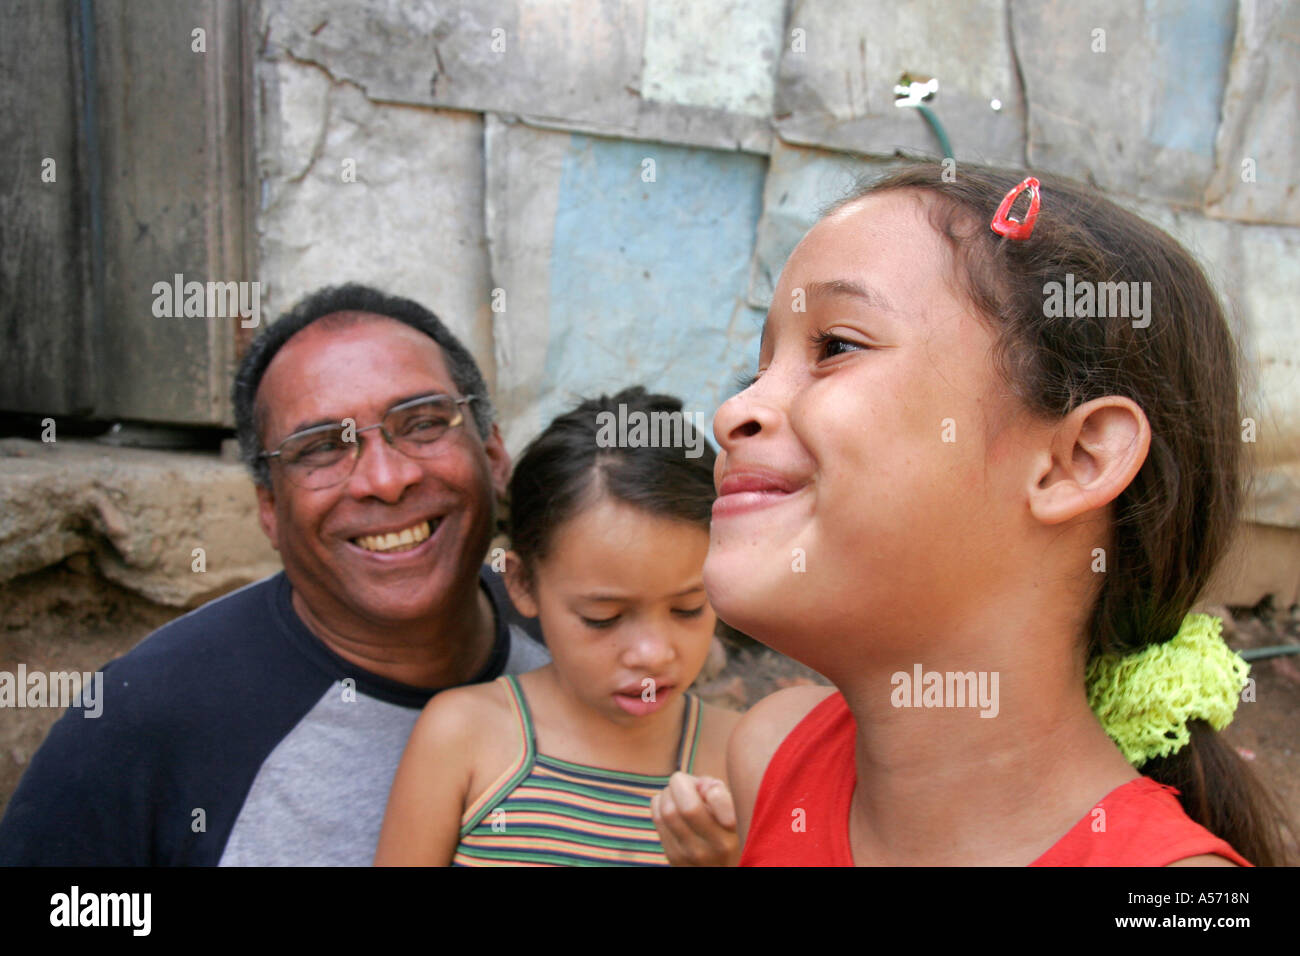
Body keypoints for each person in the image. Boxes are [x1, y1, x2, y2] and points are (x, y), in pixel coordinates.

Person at [666, 163, 1293, 866]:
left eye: (836, 346)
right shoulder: (767, 759)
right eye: (754, 372)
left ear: (1073, 460)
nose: (731, 413)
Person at [0, 284, 549, 865]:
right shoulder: (144, 718)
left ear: (492, 456)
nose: (386, 480)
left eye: (422, 424)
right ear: (269, 508)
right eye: (319, 450)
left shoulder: (588, 644)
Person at [374, 387, 742, 866]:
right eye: (603, 618)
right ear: (523, 583)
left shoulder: (742, 758)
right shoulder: (464, 737)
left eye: (689, 608)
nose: (652, 653)